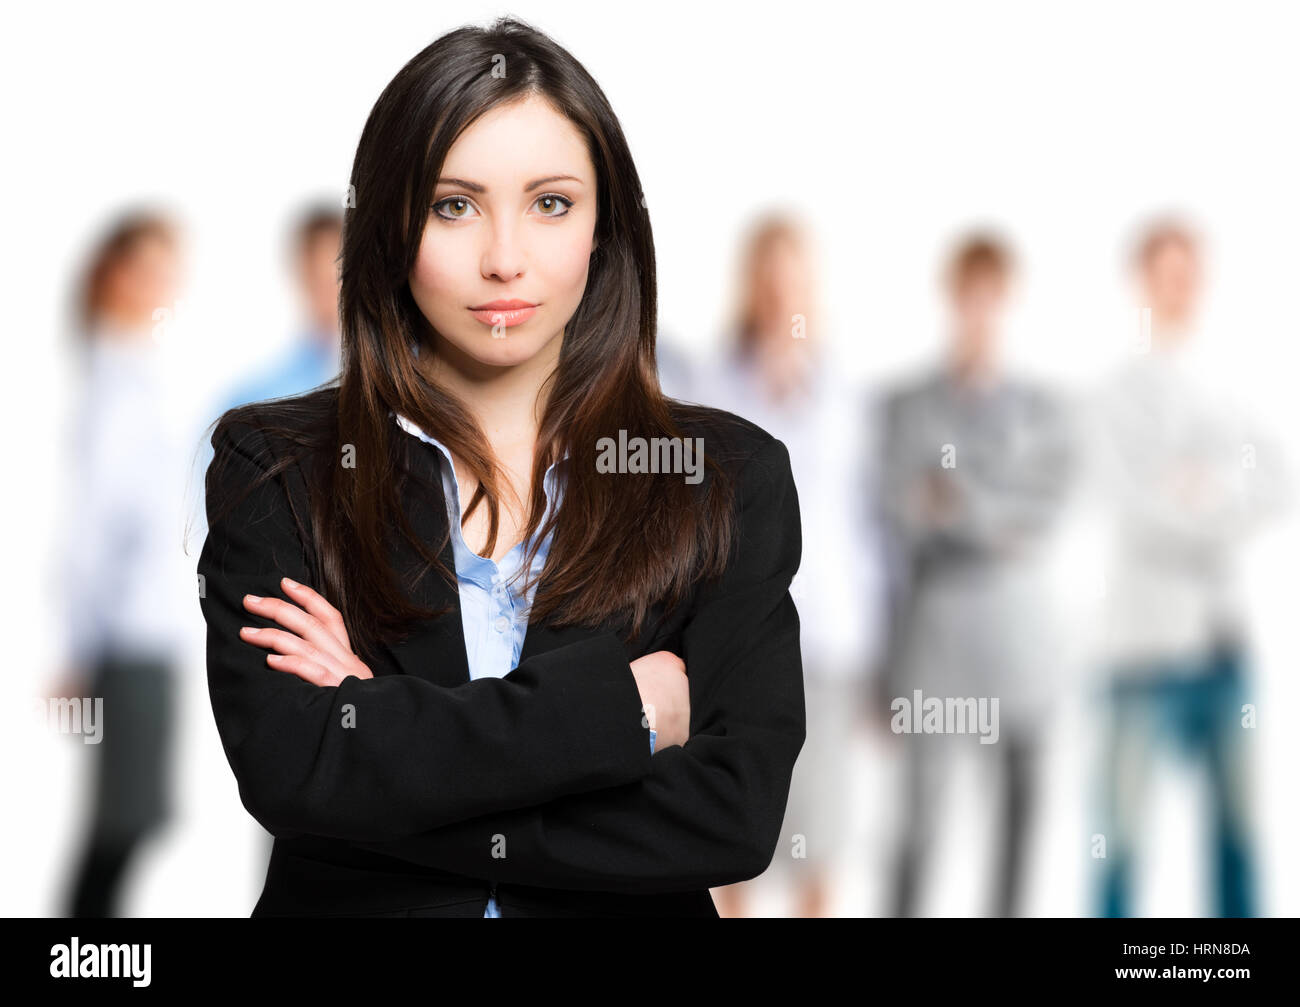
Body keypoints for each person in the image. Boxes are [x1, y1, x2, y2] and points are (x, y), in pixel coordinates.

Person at [196, 17, 806, 918]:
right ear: (392, 225)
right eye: (455, 204)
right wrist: (617, 710)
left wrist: (387, 744)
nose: (504, 258)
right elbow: (295, 771)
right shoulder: (282, 464)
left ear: (605, 226)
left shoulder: (722, 477)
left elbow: (734, 818)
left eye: (551, 203)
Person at [1088, 219, 1289, 917]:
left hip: (1223, 646)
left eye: (1188, 273)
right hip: (1142, 651)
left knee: (1240, 841)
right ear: (1141, 282)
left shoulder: (1231, 384)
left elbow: (1281, 482)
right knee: (1120, 844)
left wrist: (1199, 488)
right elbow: (1134, 507)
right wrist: (1217, 501)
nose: (1178, 288)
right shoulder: (1115, 391)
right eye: (1164, 273)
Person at [873, 233, 1074, 917]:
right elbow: (897, 511)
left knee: (1022, 827)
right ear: (951, 298)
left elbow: (1043, 516)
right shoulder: (905, 405)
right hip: (935, 643)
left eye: (993, 298)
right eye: (969, 296)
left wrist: (954, 497)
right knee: (920, 829)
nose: (980, 311)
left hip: (1020, 647)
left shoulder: (1045, 411)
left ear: (1008, 302)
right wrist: (995, 505)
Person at [697, 214, 880, 917]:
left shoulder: (842, 395)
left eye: (791, 278)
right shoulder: (713, 387)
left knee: (821, 833)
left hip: (828, 640)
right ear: (750, 287)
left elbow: (865, 528)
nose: (779, 294)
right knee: (736, 832)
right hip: (740, 644)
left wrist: (878, 648)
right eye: (767, 279)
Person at [55, 209, 189, 916]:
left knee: (136, 814)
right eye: (145, 268)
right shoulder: (114, 384)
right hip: (125, 640)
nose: (159, 285)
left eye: (168, 269)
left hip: (153, 634)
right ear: (111, 276)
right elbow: (91, 534)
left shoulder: (145, 373)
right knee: (122, 818)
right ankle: (82, 954)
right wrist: (77, 648)